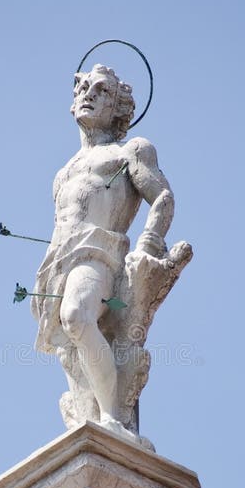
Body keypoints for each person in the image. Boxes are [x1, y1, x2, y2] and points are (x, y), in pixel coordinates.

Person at [32, 64, 175, 437]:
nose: (88, 94)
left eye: (101, 91)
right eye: (81, 87)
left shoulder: (130, 151)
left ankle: (113, 418)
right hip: (59, 262)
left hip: (100, 252)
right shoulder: (63, 173)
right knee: (70, 349)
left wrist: (148, 246)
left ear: (119, 109)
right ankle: (92, 417)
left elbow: (161, 197)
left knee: (77, 317)